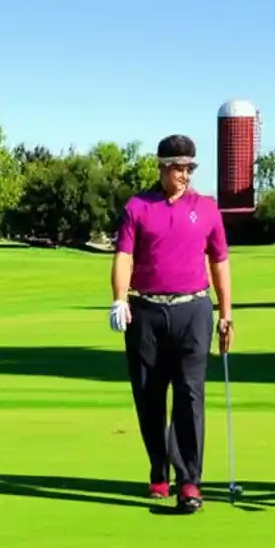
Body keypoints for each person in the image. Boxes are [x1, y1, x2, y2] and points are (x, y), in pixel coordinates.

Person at [108, 133, 233, 513]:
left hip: (193, 309)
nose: (185, 175)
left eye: (190, 168)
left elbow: (220, 261)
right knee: (148, 394)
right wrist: (118, 298)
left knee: (190, 395)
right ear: (161, 168)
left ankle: (190, 481)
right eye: (178, 168)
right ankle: (159, 468)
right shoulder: (138, 207)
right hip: (145, 311)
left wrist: (226, 312)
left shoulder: (207, 208)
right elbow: (124, 257)